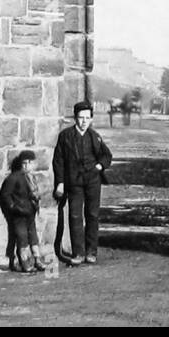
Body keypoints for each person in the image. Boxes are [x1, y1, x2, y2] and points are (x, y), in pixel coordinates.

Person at [52, 101, 113, 266]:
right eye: (81, 117)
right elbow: (58, 161)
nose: (84, 121)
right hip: (74, 182)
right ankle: (78, 252)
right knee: (75, 215)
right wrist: (60, 182)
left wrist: (99, 166)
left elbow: (106, 155)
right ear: (75, 118)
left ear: (91, 119)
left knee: (92, 215)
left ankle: (91, 252)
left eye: (87, 118)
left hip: (93, 181)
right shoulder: (65, 136)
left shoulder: (94, 136)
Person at [0, 150, 43, 273]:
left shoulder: (30, 177)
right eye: (32, 163)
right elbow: (5, 195)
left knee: (33, 237)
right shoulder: (14, 178)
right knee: (22, 238)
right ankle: (24, 262)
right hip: (19, 214)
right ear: (25, 164)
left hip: (30, 213)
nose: (34, 165)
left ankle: (37, 260)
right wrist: (14, 208)